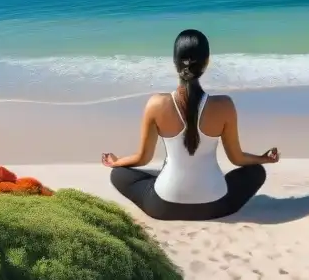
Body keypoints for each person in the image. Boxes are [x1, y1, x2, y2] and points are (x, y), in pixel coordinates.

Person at [103, 29, 279, 220]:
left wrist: (116, 162)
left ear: (174, 62)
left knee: (118, 174)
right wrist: (264, 159)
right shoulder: (224, 105)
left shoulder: (156, 104)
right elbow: (237, 159)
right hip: (216, 206)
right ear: (207, 62)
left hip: (162, 206)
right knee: (256, 172)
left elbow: (143, 158)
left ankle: (164, 176)